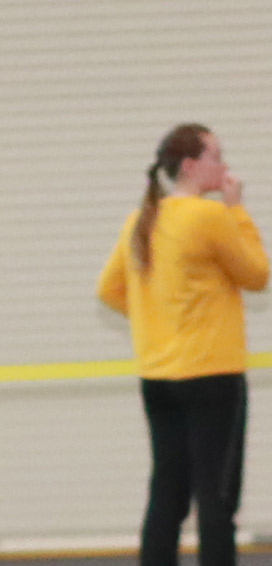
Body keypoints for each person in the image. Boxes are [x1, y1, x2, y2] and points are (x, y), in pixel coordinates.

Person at [97, 123, 268, 566]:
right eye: (217, 155)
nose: (225, 164)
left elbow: (109, 289)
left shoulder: (141, 219)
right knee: (217, 498)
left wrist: (160, 322)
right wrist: (236, 210)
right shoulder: (210, 217)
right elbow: (256, 274)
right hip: (212, 375)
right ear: (192, 165)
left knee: (168, 495)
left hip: (159, 378)